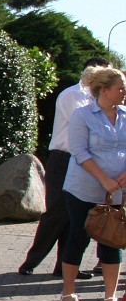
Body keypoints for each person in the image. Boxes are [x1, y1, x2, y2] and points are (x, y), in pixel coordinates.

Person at [19, 57, 112, 276]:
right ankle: (31, 262)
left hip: (85, 161)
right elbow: (87, 125)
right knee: (58, 213)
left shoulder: (97, 99)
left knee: (78, 216)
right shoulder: (74, 95)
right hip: (65, 158)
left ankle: (66, 265)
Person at [57, 65, 126, 301]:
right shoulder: (82, 115)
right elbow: (79, 151)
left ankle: (110, 296)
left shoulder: (125, 115)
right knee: (79, 236)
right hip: (83, 188)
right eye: (120, 88)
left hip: (117, 191)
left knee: (113, 240)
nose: (124, 92)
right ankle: (68, 292)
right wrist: (103, 179)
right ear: (104, 91)